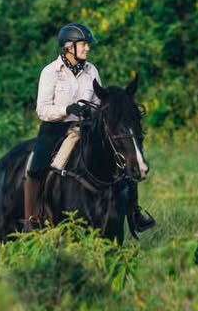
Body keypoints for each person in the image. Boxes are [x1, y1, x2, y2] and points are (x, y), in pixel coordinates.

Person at [23, 22, 154, 233]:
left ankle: (134, 212)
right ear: (69, 46)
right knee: (36, 166)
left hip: (86, 127)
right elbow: (42, 109)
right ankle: (33, 218)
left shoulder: (92, 70)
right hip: (56, 127)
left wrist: (94, 113)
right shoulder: (50, 72)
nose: (87, 48)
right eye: (83, 44)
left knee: (122, 160)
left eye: (87, 45)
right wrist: (67, 109)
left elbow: (98, 102)